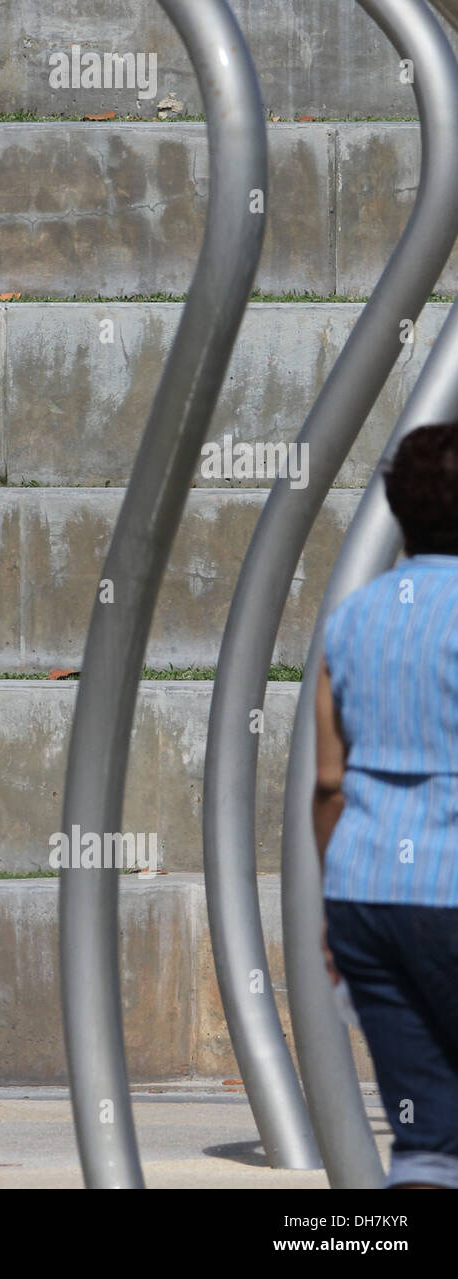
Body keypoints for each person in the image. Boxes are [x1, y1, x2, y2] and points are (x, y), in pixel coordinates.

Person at [314, 421, 458, 1189]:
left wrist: (334, 910)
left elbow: (329, 783)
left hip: (367, 894)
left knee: (427, 1139)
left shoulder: (354, 617)